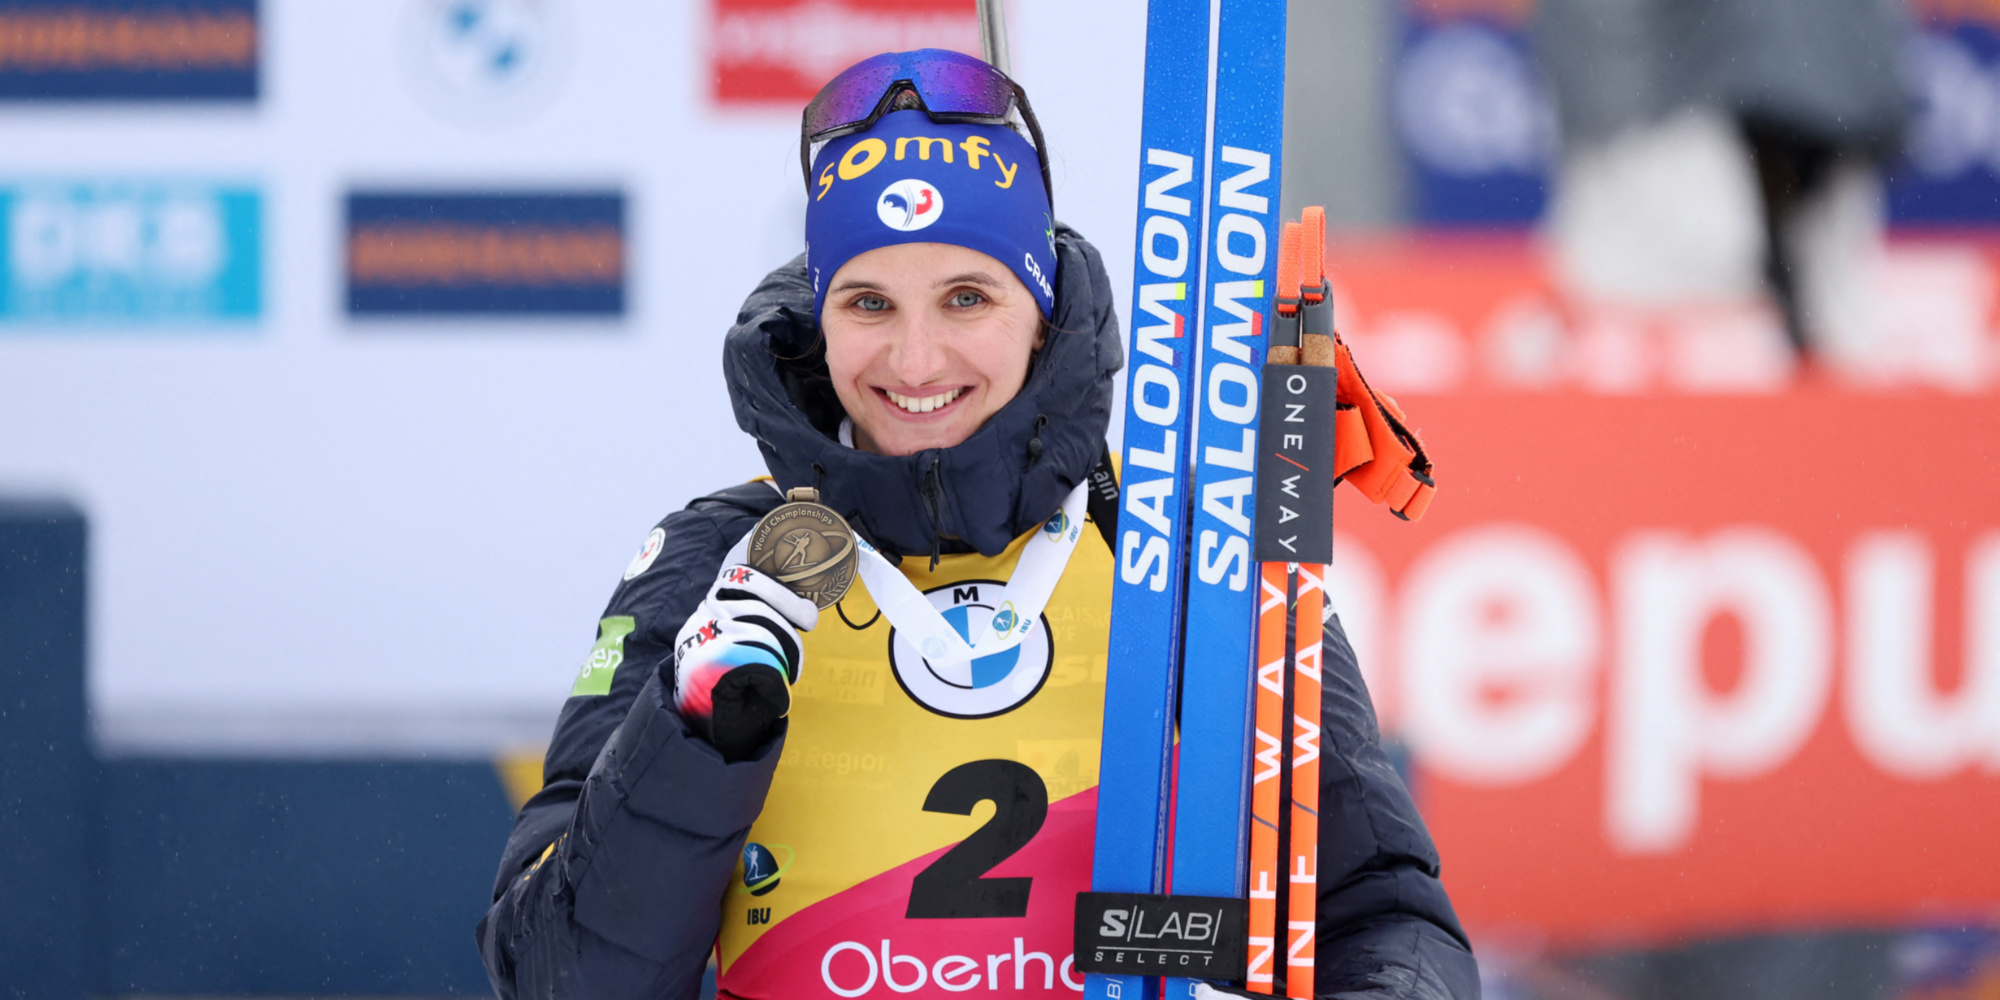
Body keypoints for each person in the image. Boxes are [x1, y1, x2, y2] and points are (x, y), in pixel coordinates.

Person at [476, 49, 1477, 1000]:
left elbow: (1387, 921)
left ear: (1039, 312)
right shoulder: (720, 559)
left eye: (965, 297)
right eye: (868, 302)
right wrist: (690, 734)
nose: (915, 361)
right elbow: (558, 975)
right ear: (819, 322)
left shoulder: (1176, 548)